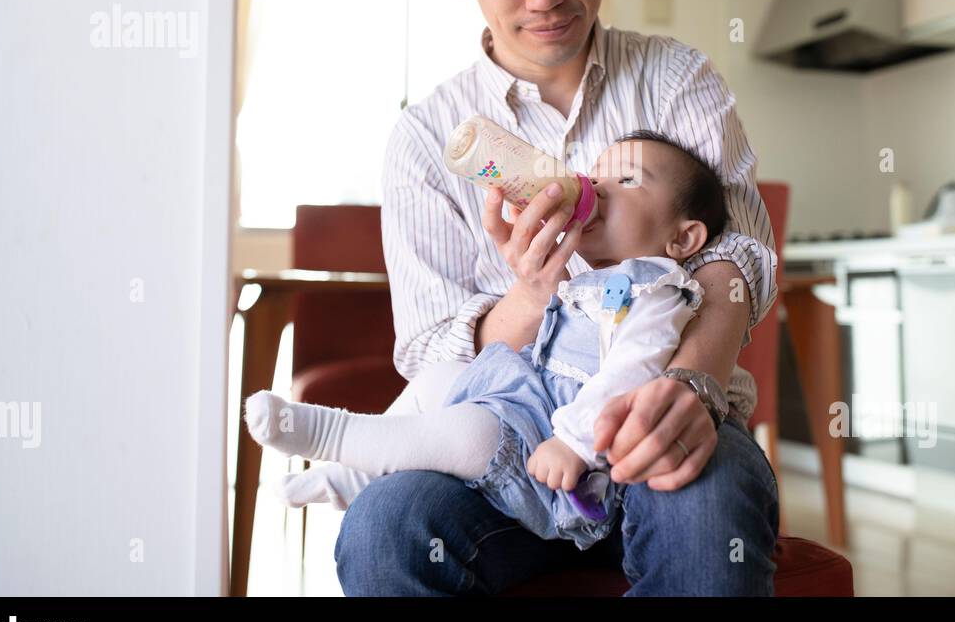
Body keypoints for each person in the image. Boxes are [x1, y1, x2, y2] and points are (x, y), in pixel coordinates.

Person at [324, 0, 779, 595]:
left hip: (665, 421)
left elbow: (741, 257)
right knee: (383, 529)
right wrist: (531, 295)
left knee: (698, 508)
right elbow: (433, 351)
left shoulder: (676, 81)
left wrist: (692, 383)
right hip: (503, 458)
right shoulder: (429, 139)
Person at [246, 132, 735, 551]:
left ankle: (334, 435)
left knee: (474, 432)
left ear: (684, 238)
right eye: (597, 177)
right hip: (526, 406)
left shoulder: (658, 292)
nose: (598, 191)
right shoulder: (588, 281)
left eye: (628, 181)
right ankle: (355, 475)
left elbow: (632, 373)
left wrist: (575, 444)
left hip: (562, 462)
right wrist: (532, 292)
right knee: (441, 377)